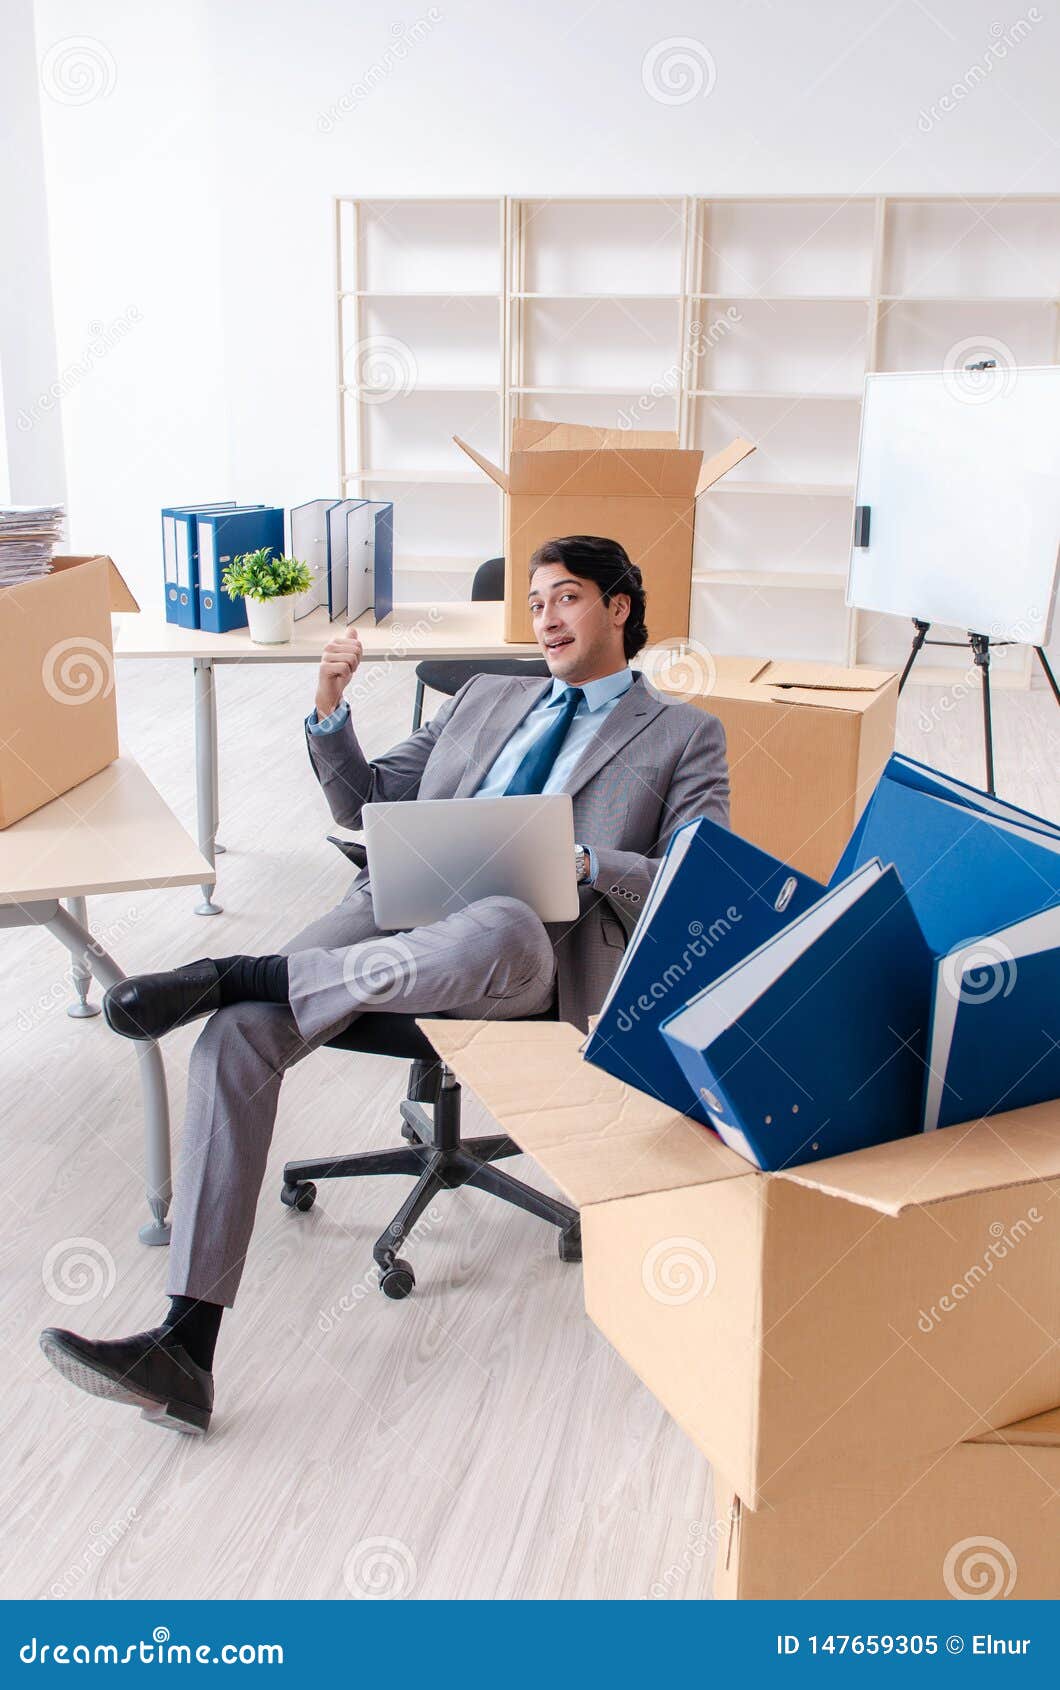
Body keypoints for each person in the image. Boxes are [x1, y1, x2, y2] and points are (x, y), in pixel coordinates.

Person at [40, 535, 729, 1434]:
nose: (545, 619)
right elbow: (368, 799)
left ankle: (233, 972)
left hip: (520, 950)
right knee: (239, 1032)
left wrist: (590, 858)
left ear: (620, 608)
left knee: (507, 920)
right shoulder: (488, 696)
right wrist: (330, 713)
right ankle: (185, 1347)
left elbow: (699, 876)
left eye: (565, 598)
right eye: (534, 603)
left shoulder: (683, 732)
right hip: (396, 908)